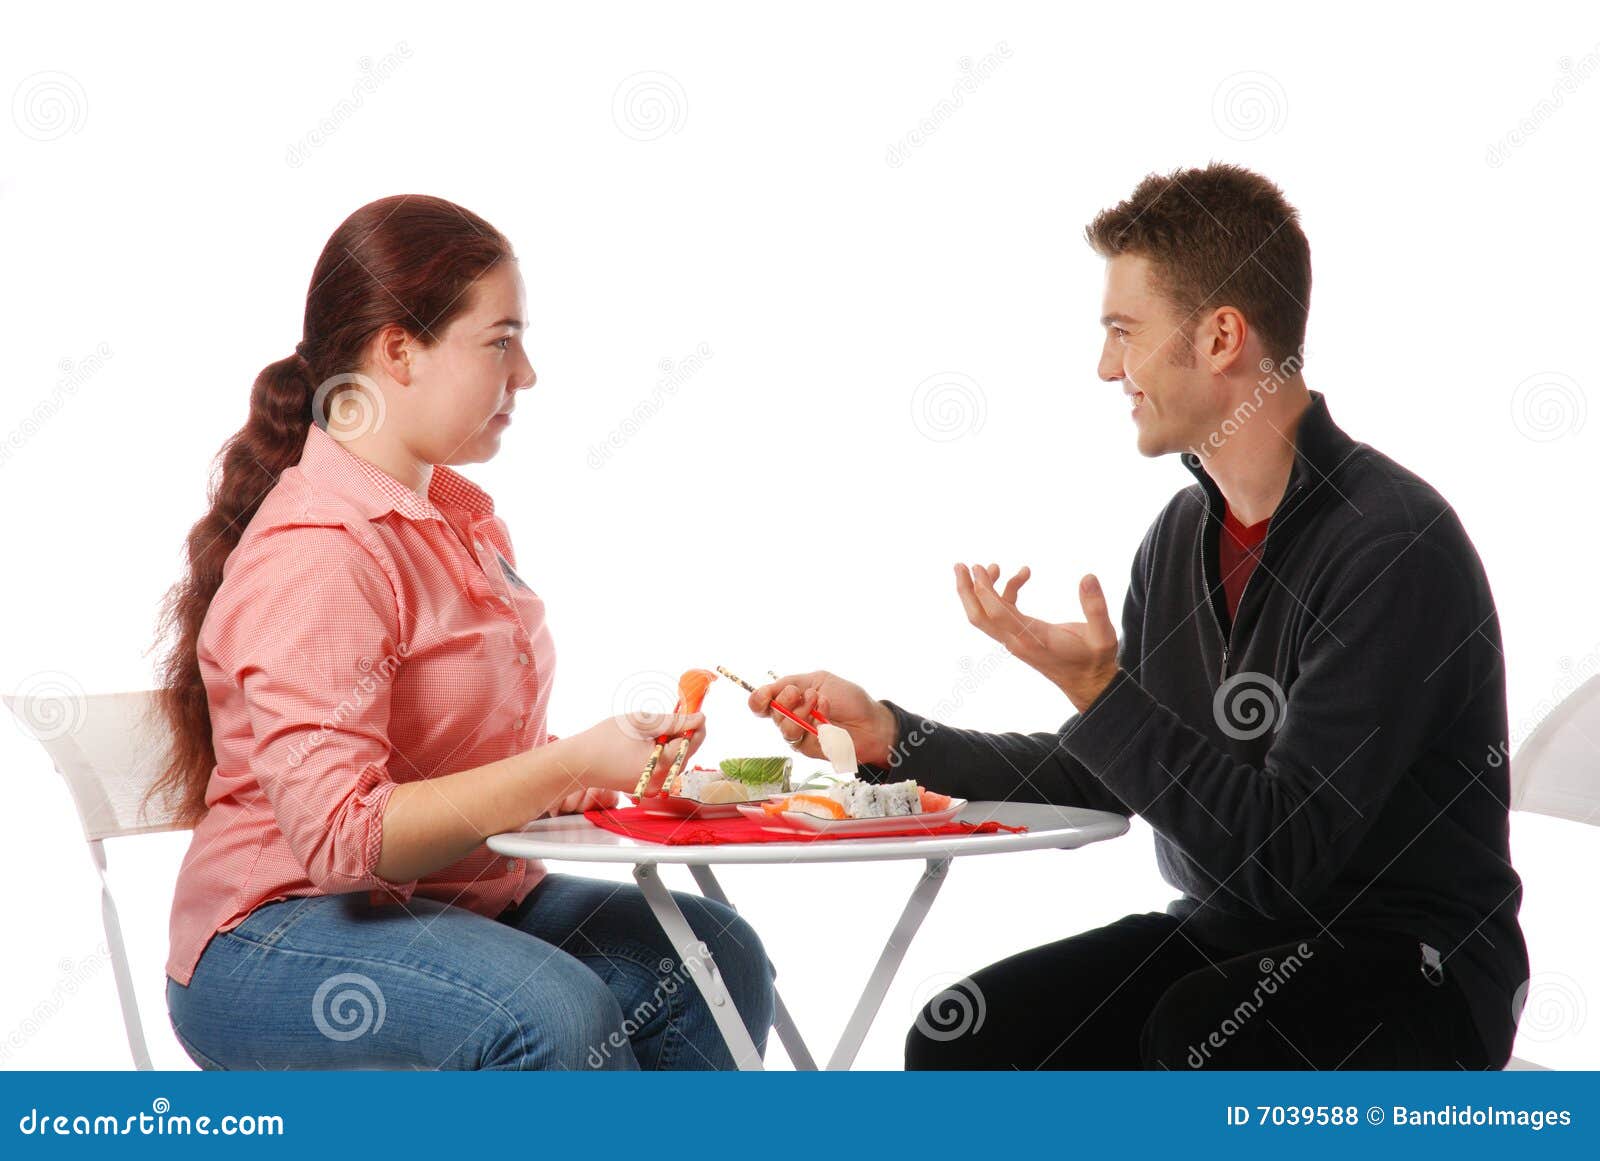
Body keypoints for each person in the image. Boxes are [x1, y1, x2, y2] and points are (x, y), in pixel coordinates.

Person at [749, 164, 1527, 1070]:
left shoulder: (1392, 546)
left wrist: (1102, 692)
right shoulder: (1182, 535)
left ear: (1222, 336)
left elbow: (1282, 854)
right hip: (1231, 938)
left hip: (1414, 970)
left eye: (1124, 331)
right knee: (964, 1035)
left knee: (1196, 1034)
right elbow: (1119, 770)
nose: (1107, 366)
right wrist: (892, 734)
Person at [149, 194, 774, 1070]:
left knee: (710, 955)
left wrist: (586, 769)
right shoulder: (322, 547)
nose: (526, 375)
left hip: (452, 902)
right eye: (500, 341)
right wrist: (567, 763)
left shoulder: (457, 520)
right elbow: (344, 843)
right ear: (398, 351)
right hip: (276, 934)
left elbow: (451, 766)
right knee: (552, 1014)